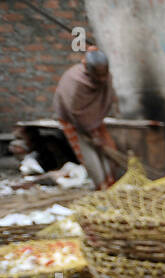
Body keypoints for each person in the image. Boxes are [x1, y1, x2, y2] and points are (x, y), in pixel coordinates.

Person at [54, 49, 124, 189]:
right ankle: (101, 184)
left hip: (95, 119)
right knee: (89, 153)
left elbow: (108, 97)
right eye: (98, 75)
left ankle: (111, 180)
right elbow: (76, 112)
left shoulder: (106, 78)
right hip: (73, 120)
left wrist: (98, 131)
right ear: (87, 69)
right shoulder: (76, 82)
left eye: (104, 74)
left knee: (107, 149)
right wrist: (93, 134)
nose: (102, 79)